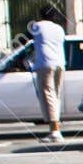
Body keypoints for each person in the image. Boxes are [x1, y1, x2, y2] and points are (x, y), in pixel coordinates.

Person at [27, 9, 67, 145]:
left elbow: (24, 39)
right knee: (55, 96)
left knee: (48, 96)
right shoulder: (59, 29)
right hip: (60, 63)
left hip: (45, 64)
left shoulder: (38, 26)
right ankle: (56, 129)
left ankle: (55, 132)